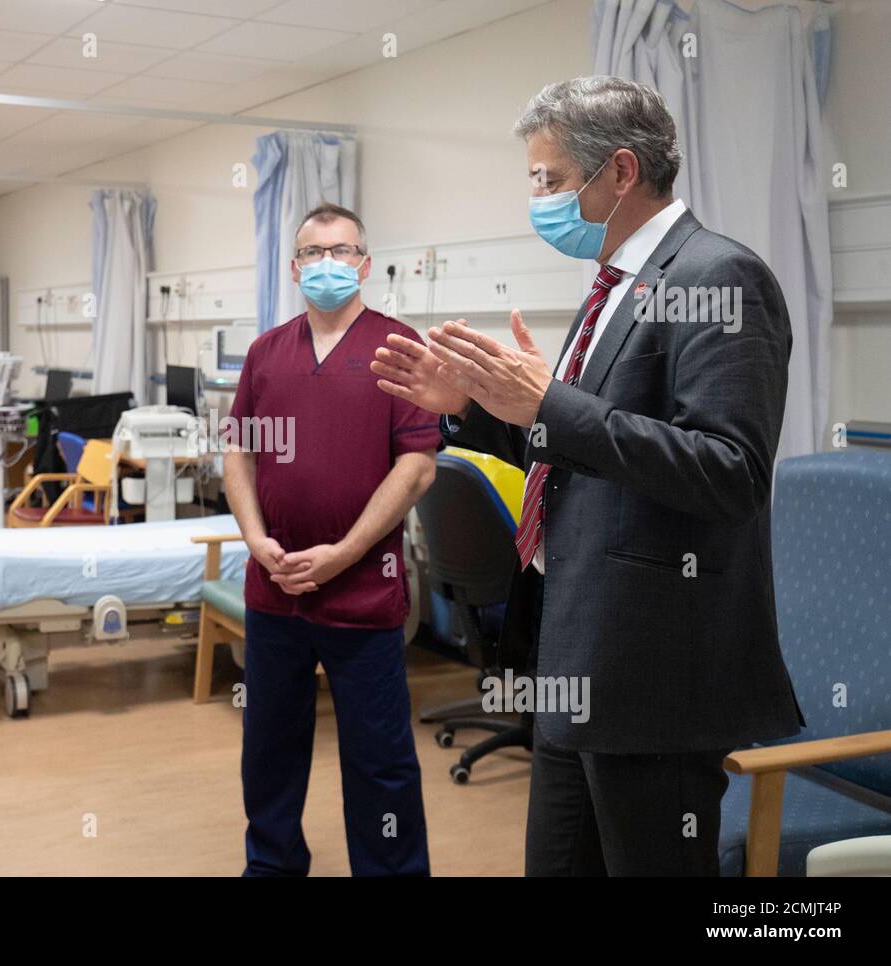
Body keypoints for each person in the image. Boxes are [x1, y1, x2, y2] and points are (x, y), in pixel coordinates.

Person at [372, 76, 803, 876]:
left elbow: (731, 471)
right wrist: (477, 404)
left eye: (549, 180)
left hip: (655, 669)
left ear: (622, 172)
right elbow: (578, 452)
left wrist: (551, 404)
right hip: (574, 652)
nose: (535, 198)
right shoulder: (613, 286)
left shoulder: (717, 278)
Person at [224, 202, 440, 876]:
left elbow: (418, 466)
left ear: (365, 264)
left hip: (362, 593)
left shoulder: (399, 349)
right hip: (275, 588)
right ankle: (273, 864)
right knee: (268, 752)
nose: (327, 264)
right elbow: (239, 455)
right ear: (294, 268)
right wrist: (256, 539)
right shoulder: (266, 354)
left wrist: (344, 553)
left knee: (380, 761)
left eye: (341, 252)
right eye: (314, 253)